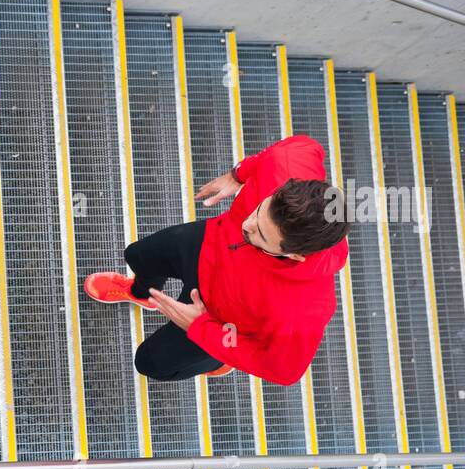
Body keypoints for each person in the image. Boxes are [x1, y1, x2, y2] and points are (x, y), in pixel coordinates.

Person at [83, 135, 349, 386]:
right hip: (212, 244)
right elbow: (304, 144)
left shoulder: (304, 310)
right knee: (137, 255)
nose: (248, 223)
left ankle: (217, 359)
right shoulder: (288, 164)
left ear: (295, 255)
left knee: (149, 363)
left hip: (221, 319)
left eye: (261, 233)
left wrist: (207, 332)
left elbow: (283, 371)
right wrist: (239, 173)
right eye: (259, 210)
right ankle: (140, 293)